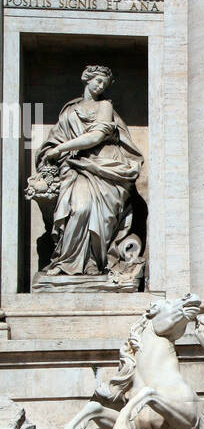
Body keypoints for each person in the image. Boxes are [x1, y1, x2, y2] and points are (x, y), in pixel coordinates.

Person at [33, 65, 142, 277]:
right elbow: (54, 138)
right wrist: (51, 150)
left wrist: (61, 148)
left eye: (105, 84)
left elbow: (96, 137)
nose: (100, 86)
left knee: (97, 213)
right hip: (73, 168)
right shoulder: (69, 110)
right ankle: (65, 262)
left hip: (102, 167)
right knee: (79, 208)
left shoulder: (105, 107)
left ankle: (94, 262)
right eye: (98, 81)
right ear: (87, 79)